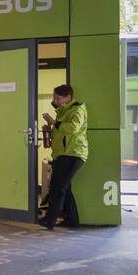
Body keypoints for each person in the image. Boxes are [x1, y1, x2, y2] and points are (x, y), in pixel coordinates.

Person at [41, 84, 88, 230]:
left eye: (58, 98)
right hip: (64, 154)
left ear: (68, 97)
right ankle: (72, 220)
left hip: (72, 154)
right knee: (64, 188)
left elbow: (73, 128)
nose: (55, 100)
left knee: (57, 187)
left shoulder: (77, 109)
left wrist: (54, 123)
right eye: (54, 97)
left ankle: (50, 220)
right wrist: (51, 129)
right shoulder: (63, 110)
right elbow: (61, 130)